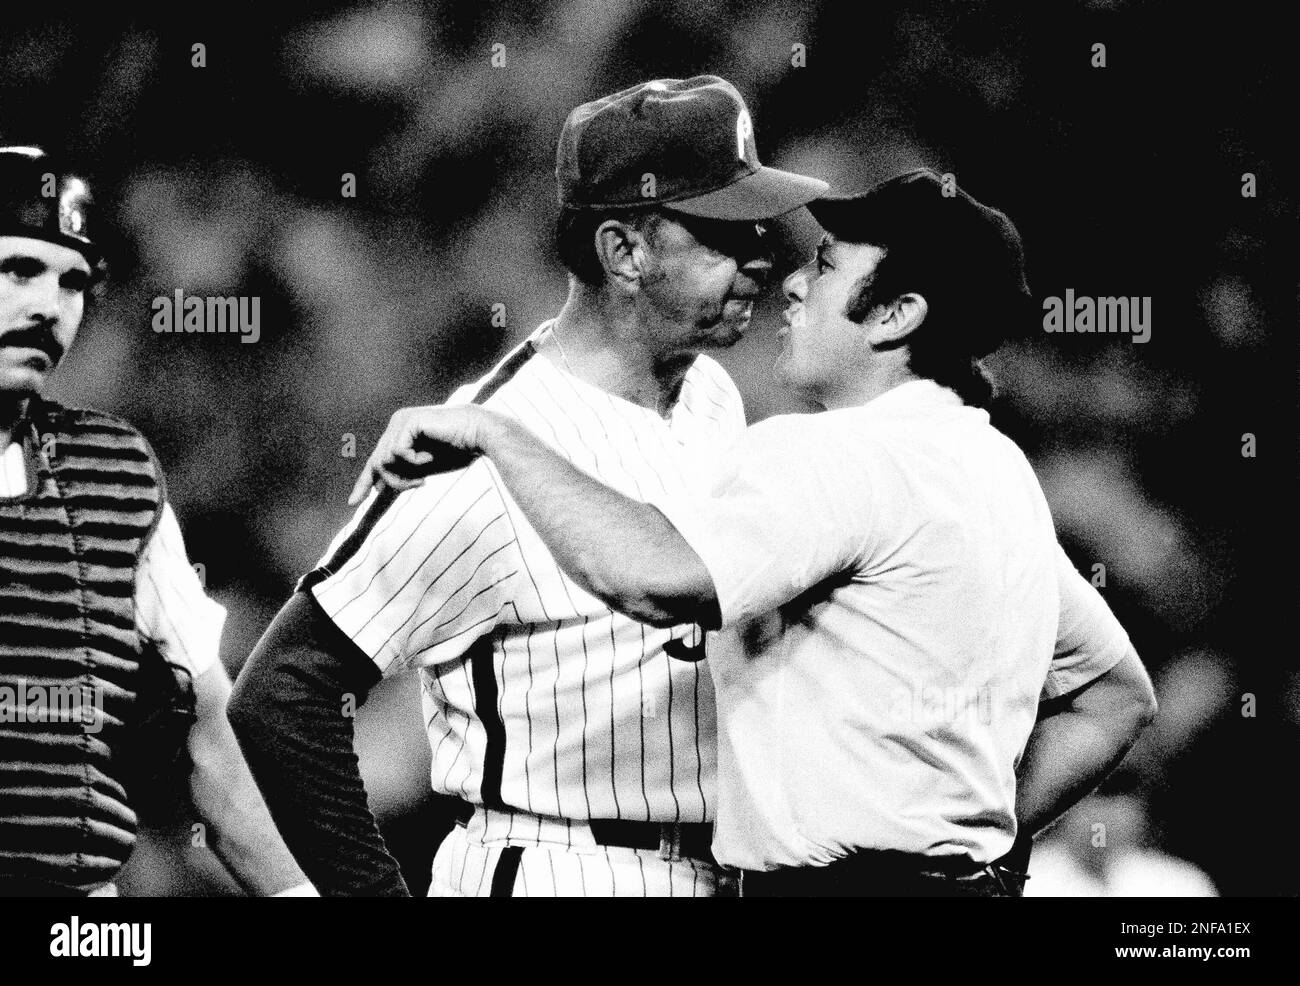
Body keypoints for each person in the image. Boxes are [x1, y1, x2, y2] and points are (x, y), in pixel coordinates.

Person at [348, 169, 1158, 896]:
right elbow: (1117, 699)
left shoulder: (837, 455)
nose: (793, 283)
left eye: (827, 267)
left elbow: (655, 580)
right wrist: (977, 856)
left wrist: (497, 434)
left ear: (896, 316)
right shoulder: (997, 470)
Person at [227, 76, 828, 897]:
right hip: (556, 863)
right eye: (723, 233)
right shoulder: (476, 451)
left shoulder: (710, 395)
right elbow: (283, 692)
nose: (760, 255)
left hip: (708, 865)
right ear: (624, 252)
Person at [0, 146, 311, 896]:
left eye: (73, 282)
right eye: (19, 271)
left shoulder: (116, 476)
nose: (49, 306)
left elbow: (209, 743)